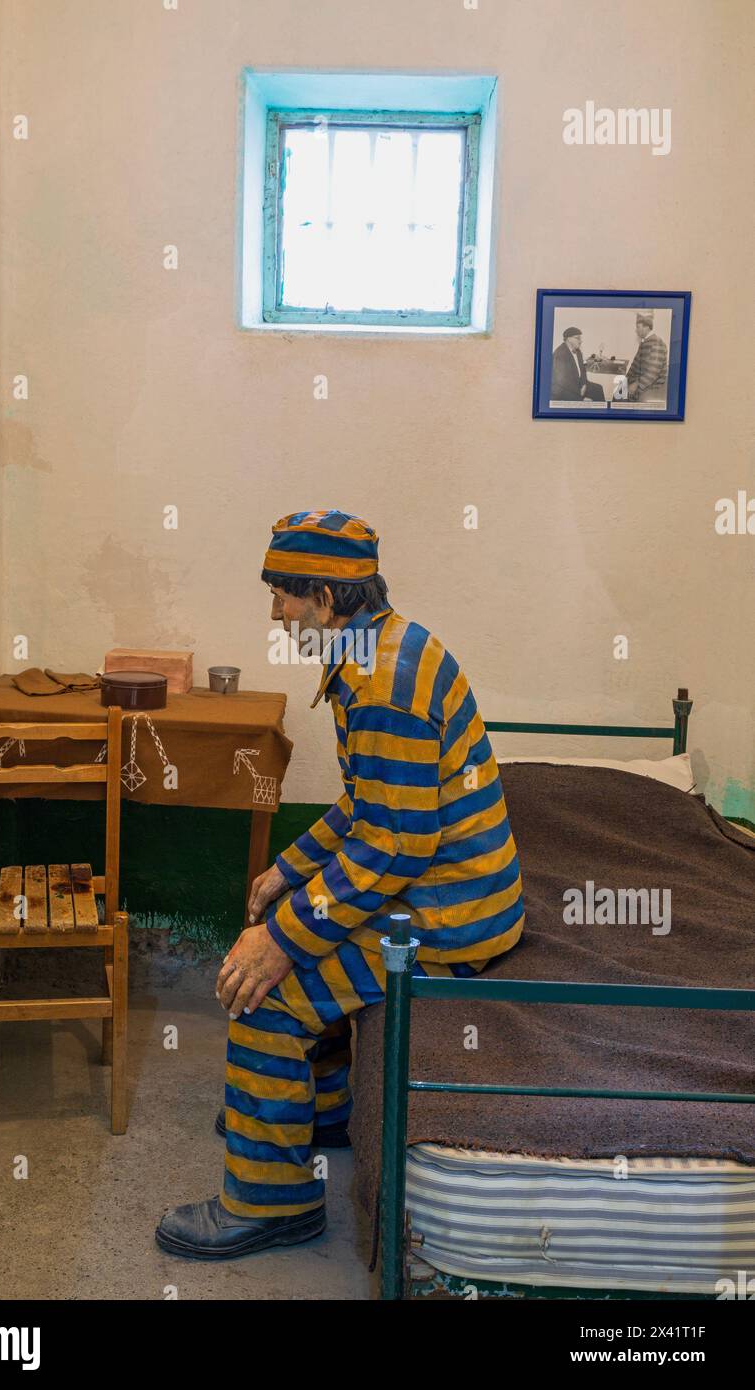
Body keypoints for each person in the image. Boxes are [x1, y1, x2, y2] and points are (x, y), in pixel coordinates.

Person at [155, 510, 525, 1260]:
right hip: (451, 890)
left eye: (282, 596)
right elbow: (366, 804)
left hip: (451, 916)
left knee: (259, 989)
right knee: (287, 922)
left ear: (326, 598)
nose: (274, 614)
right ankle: (317, 1110)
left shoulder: (383, 682)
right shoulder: (380, 648)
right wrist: (286, 873)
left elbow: (393, 850)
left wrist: (282, 941)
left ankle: (271, 1204)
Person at [550, 326, 606, 402]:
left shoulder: (578, 351)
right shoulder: (560, 354)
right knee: (587, 400)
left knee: (598, 389)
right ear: (569, 339)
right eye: (578, 338)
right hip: (565, 390)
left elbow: (583, 370)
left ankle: (600, 413)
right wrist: (580, 398)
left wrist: (584, 384)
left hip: (578, 384)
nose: (580, 341)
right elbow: (562, 383)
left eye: (580, 338)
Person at [626, 310, 668, 405]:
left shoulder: (657, 344)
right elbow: (635, 365)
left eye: (638, 327)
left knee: (620, 398)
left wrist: (635, 385)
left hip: (651, 386)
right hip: (640, 382)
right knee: (618, 392)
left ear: (646, 327)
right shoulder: (645, 342)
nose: (636, 330)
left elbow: (652, 373)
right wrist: (626, 379)